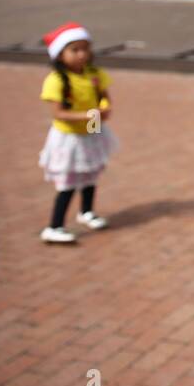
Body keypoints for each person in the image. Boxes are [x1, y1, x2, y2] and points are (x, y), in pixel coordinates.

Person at [38, 21, 119, 243]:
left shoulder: (94, 74)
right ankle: (54, 226)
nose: (82, 54)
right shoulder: (56, 80)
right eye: (75, 50)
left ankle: (87, 212)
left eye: (85, 48)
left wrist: (103, 109)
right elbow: (59, 113)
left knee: (91, 173)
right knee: (69, 181)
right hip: (69, 137)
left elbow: (104, 96)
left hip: (92, 130)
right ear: (60, 54)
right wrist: (89, 115)